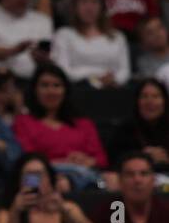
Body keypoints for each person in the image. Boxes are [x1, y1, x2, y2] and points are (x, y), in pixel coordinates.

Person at [13, 64, 111, 192]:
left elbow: (102, 159)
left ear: (65, 90)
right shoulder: (23, 121)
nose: (51, 91)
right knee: (39, 179)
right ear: (35, 90)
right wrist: (63, 163)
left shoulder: (83, 123)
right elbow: (26, 158)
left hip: (82, 174)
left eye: (57, 85)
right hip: (41, 176)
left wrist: (86, 160)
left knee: (113, 180)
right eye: (45, 85)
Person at [51, 0, 130, 87]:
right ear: (75, 6)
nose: (89, 7)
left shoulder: (118, 36)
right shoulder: (63, 34)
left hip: (112, 90)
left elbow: (124, 71)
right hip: (77, 90)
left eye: (94, 2)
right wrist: (96, 79)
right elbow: (63, 70)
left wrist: (113, 79)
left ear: (102, 7)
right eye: (84, 1)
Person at [108, 79, 169, 169]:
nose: (150, 101)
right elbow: (113, 161)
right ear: (137, 102)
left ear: (165, 101)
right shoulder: (125, 129)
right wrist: (142, 156)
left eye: (155, 96)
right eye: (144, 96)